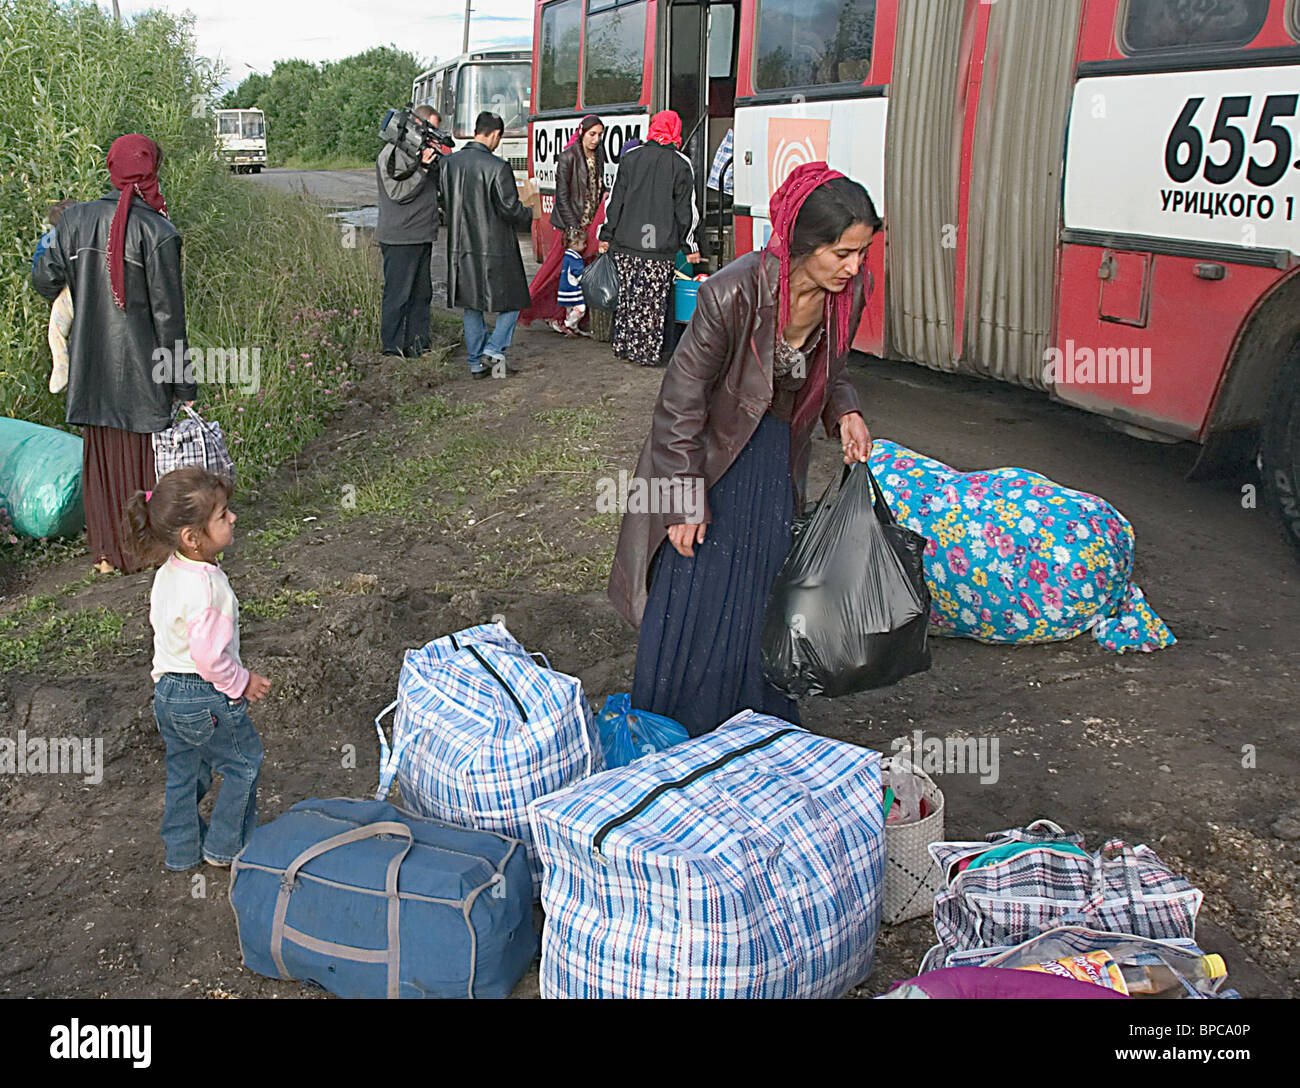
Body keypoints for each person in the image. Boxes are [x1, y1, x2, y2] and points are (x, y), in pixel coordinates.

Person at [607, 163, 880, 737]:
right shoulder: (734, 290)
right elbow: (679, 404)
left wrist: (844, 409)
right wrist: (684, 497)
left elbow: (832, 371)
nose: (855, 267)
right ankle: (677, 730)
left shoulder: (847, 296)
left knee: (758, 598)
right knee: (698, 595)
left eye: (862, 253)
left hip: (775, 463)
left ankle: (749, 730)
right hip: (707, 460)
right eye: (843, 253)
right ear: (805, 243)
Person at [32, 134, 194, 575]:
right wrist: (184, 386)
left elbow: (45, 277)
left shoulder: (74, 221)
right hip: (145, 377)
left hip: (91, 369)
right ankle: (145, 555)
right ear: (153, 169)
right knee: (141, 466)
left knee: (102, 463)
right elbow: (169, 319)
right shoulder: (159, 230)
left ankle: (105, 555)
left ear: (111, 168)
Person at [124, 465, 269, 871]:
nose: (233, 517)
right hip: (205, 695)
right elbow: (208, 658)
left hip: (167, 693)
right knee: (243, 764)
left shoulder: (169, 571)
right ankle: (226, 847)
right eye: (222, 515)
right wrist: (242, 682)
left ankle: (182, 851)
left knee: (185, 773)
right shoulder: (209, 587)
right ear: (192, 537)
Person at [598, 109, 701, 367]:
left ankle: (624, 347)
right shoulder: (680, 163)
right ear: (675, 131)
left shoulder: (630, 158)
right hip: (659, 249)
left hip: (626, 243)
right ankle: (647, 352)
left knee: (629, 298)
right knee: (653, 305)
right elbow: (685, 210)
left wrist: (606, 234)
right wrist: (690, 245)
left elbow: (615, 202)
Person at [439, 110, 534, 378]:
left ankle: (475, 363)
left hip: (461, 247)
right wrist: (530, 212)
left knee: (472, 304)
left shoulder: (448, 164)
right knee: (514, 300)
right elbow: (510, 210)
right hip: (495, 248)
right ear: (495, 135)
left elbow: (442, 202)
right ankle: (494, 350)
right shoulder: (498, 167)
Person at [376, 104, 445, 358]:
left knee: (421, 295)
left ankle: (419, 347)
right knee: (398, 297)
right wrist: (423, 170)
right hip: (399, 239)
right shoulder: (391, 154)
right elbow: (397, 193)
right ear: (420, 126)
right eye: (433, 131)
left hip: (421, 235)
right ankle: (392, 351)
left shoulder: (419, 152)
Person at [537, 114, 606, 336]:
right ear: (582, 133)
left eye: (599, 135)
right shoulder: (568, 157)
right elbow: (563, 196)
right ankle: (548, 310)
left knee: (580, 272)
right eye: (592, 134)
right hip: (571, 226)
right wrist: (573, 228)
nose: (595, 139)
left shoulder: (599, 155)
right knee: (558, 271)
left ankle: (570, 316)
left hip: (589, 223)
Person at [35, 199, 77, 394]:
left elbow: (40, 272)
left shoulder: (48, 239)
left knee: (56, 332)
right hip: (91, 291)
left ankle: (61, 366)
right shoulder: (88, 233)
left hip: (65, 293)